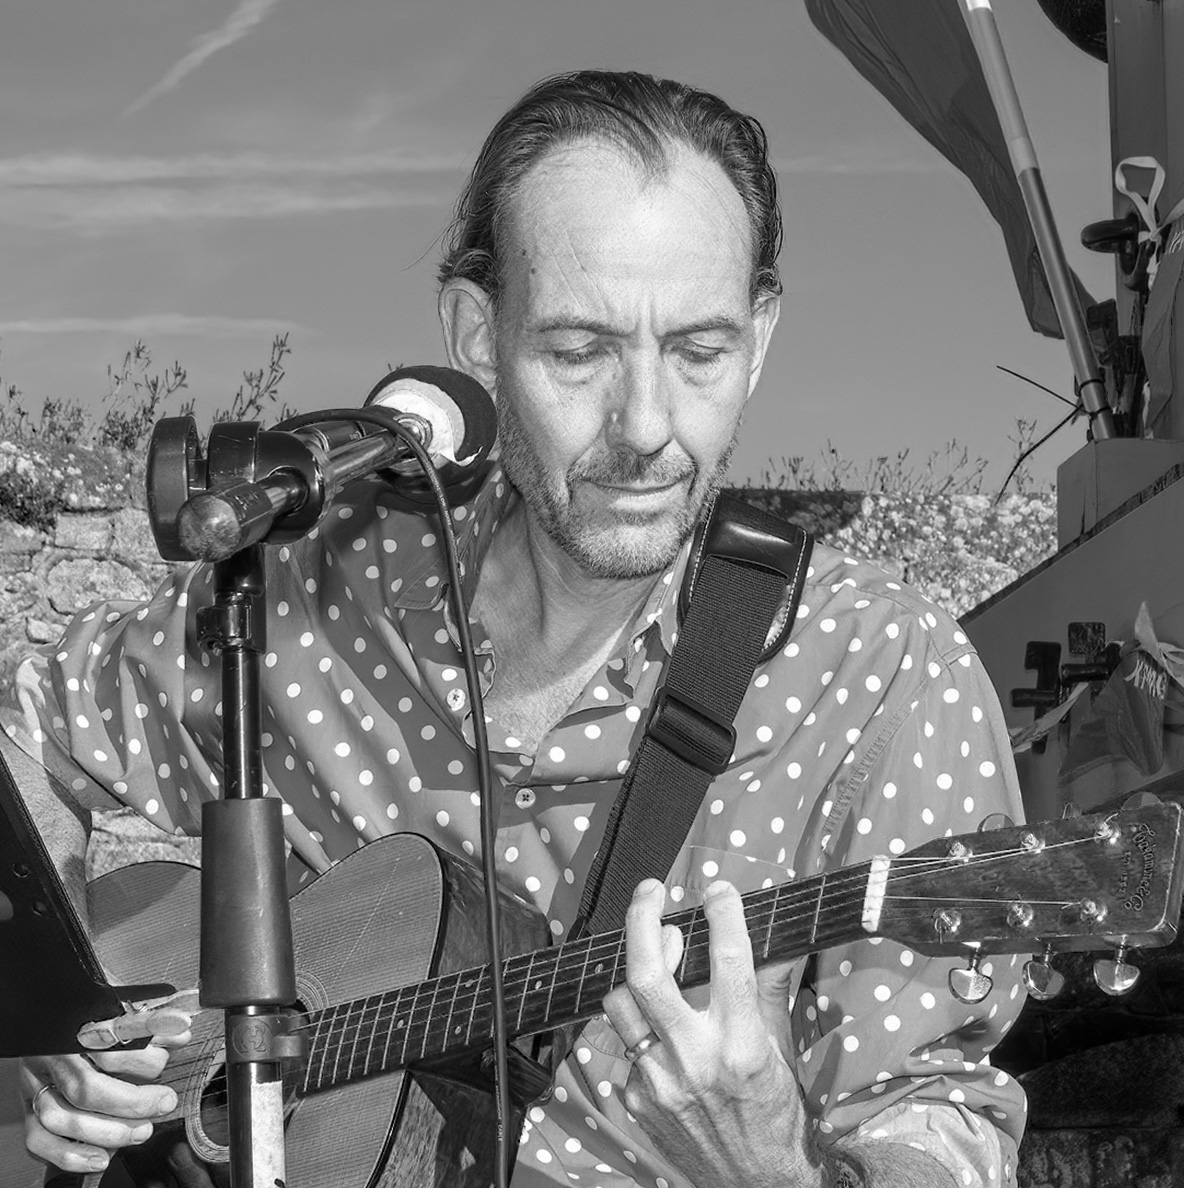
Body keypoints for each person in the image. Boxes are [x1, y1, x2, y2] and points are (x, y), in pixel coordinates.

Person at [4, 70, 1028, 1188]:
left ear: (761, 336)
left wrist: (776, 1168)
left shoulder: (879, 674)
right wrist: (56, 1028)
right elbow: (29, 731)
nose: (645, 427)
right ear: (474, 335)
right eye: (579, 351)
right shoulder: (318, 576)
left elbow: (933, 1116)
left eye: (699, 351)